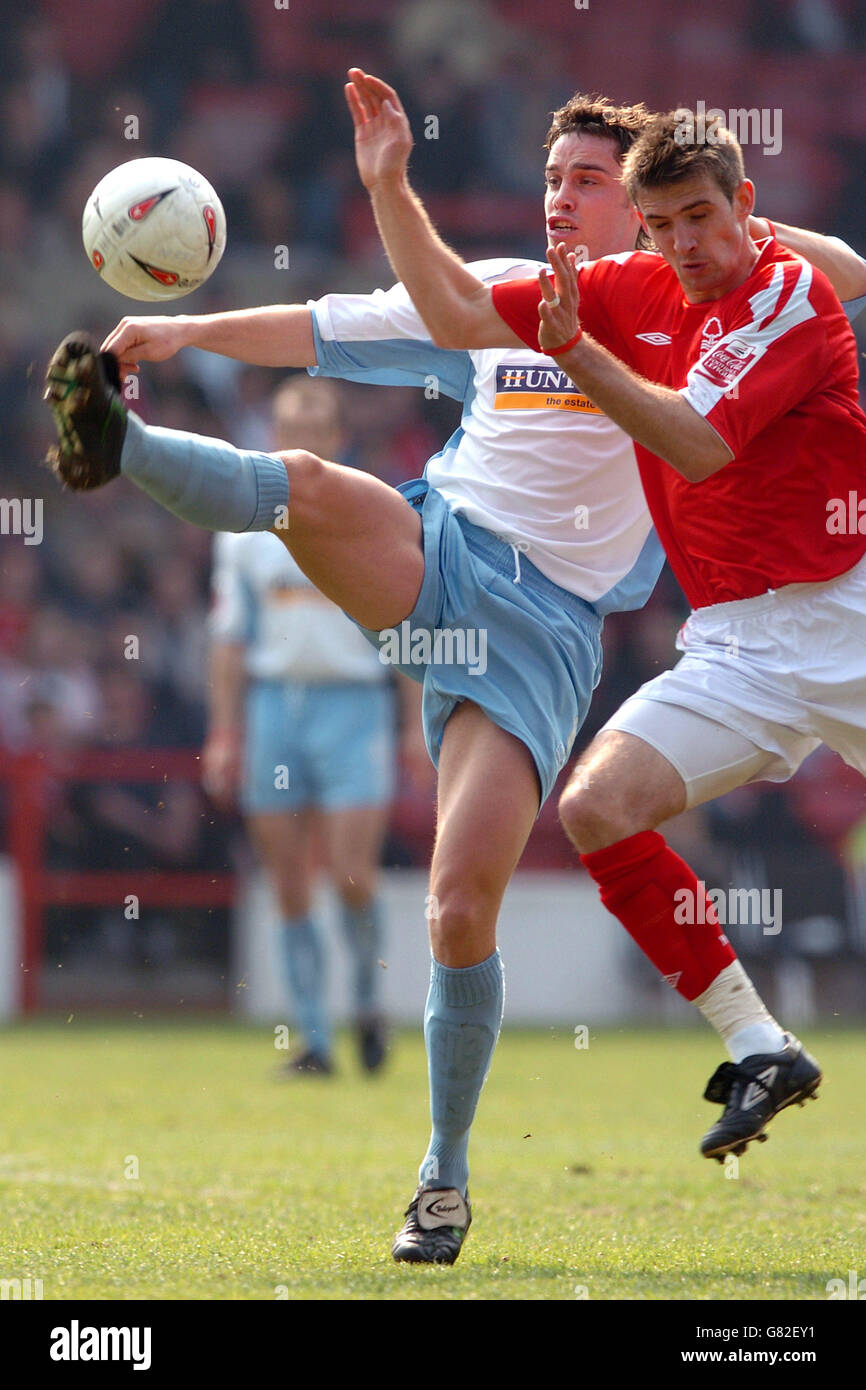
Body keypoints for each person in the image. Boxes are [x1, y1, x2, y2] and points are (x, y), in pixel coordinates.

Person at [41, 76, 865, 1265]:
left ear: (654, 209)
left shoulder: (693, 284)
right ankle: (122, 440)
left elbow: (830, 274)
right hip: (446, 550)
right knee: (310, 488)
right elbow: (348, 319)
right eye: (551, 178)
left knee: (456, 904)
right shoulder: (519, 299)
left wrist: (741, 232)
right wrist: (197, 320)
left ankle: (442, 1174)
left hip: (548, 631)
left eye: (587, 181)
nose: (559, 198)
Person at [339, 74, 866, 1184]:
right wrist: (389, 183)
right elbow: (448, 314)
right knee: (593, 807)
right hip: (734, 644)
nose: (684, 246)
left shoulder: (780, 296)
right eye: (664, 224)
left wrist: (577, 352)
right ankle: (756, 1042)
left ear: (745, 205)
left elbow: (691, 442)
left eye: (701, 221)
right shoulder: (629, 281)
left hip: (847, 613)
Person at [205, 375, 417, 1075]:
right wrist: (225, 732)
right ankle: (316, 1040)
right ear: (272, 436)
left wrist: (415, 728)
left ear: (338, 438)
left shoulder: (372, 514)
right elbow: (231, 640)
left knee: (352, 874)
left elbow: (405, 631)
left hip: (353, 707)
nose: (299, 439)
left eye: (314, 427)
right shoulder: (243, 533)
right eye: (287, 427)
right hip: (275, 707)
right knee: (288, 878)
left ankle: (366, 1004)